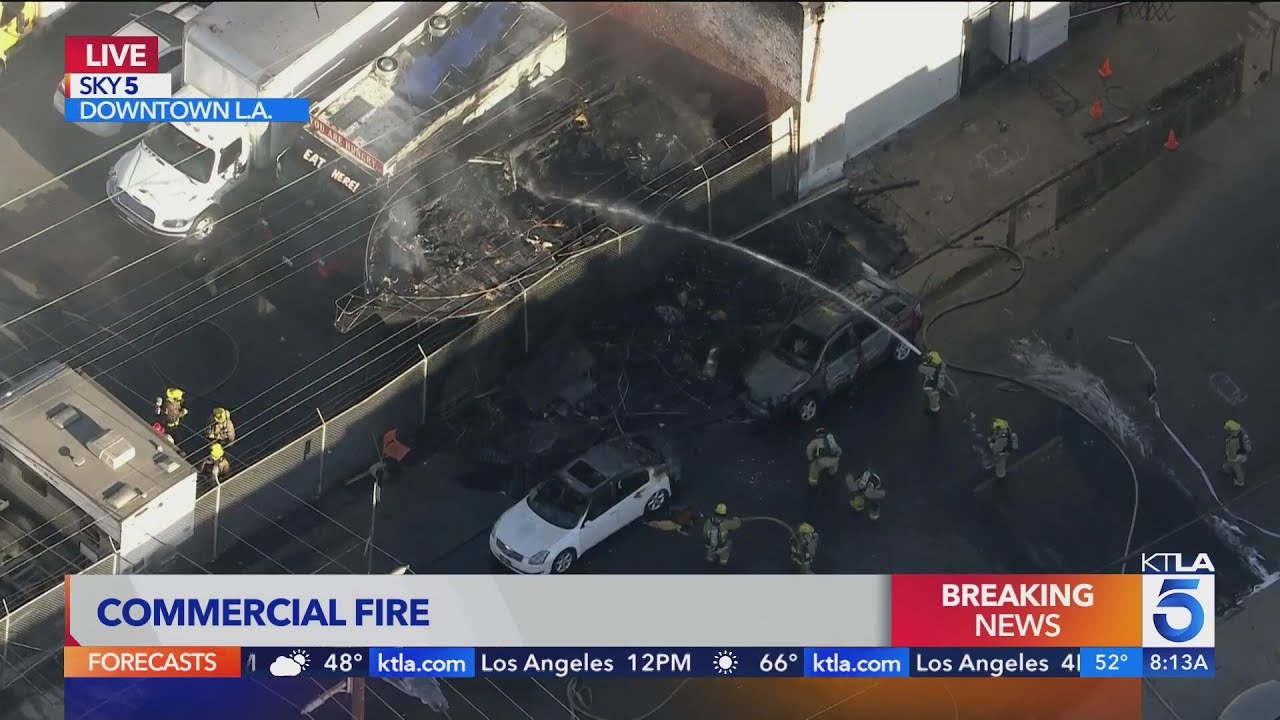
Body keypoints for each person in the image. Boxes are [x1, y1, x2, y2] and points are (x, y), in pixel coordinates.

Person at [1222, 420, 1252, 488]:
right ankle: (1226, 468)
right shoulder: (1242, 431)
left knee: (1237, 468)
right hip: (1243, 453)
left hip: (1237, 456)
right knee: (1235, 464)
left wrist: (1232, 459)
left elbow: (1231, 454)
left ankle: (1240, 482)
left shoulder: (1233, 441)